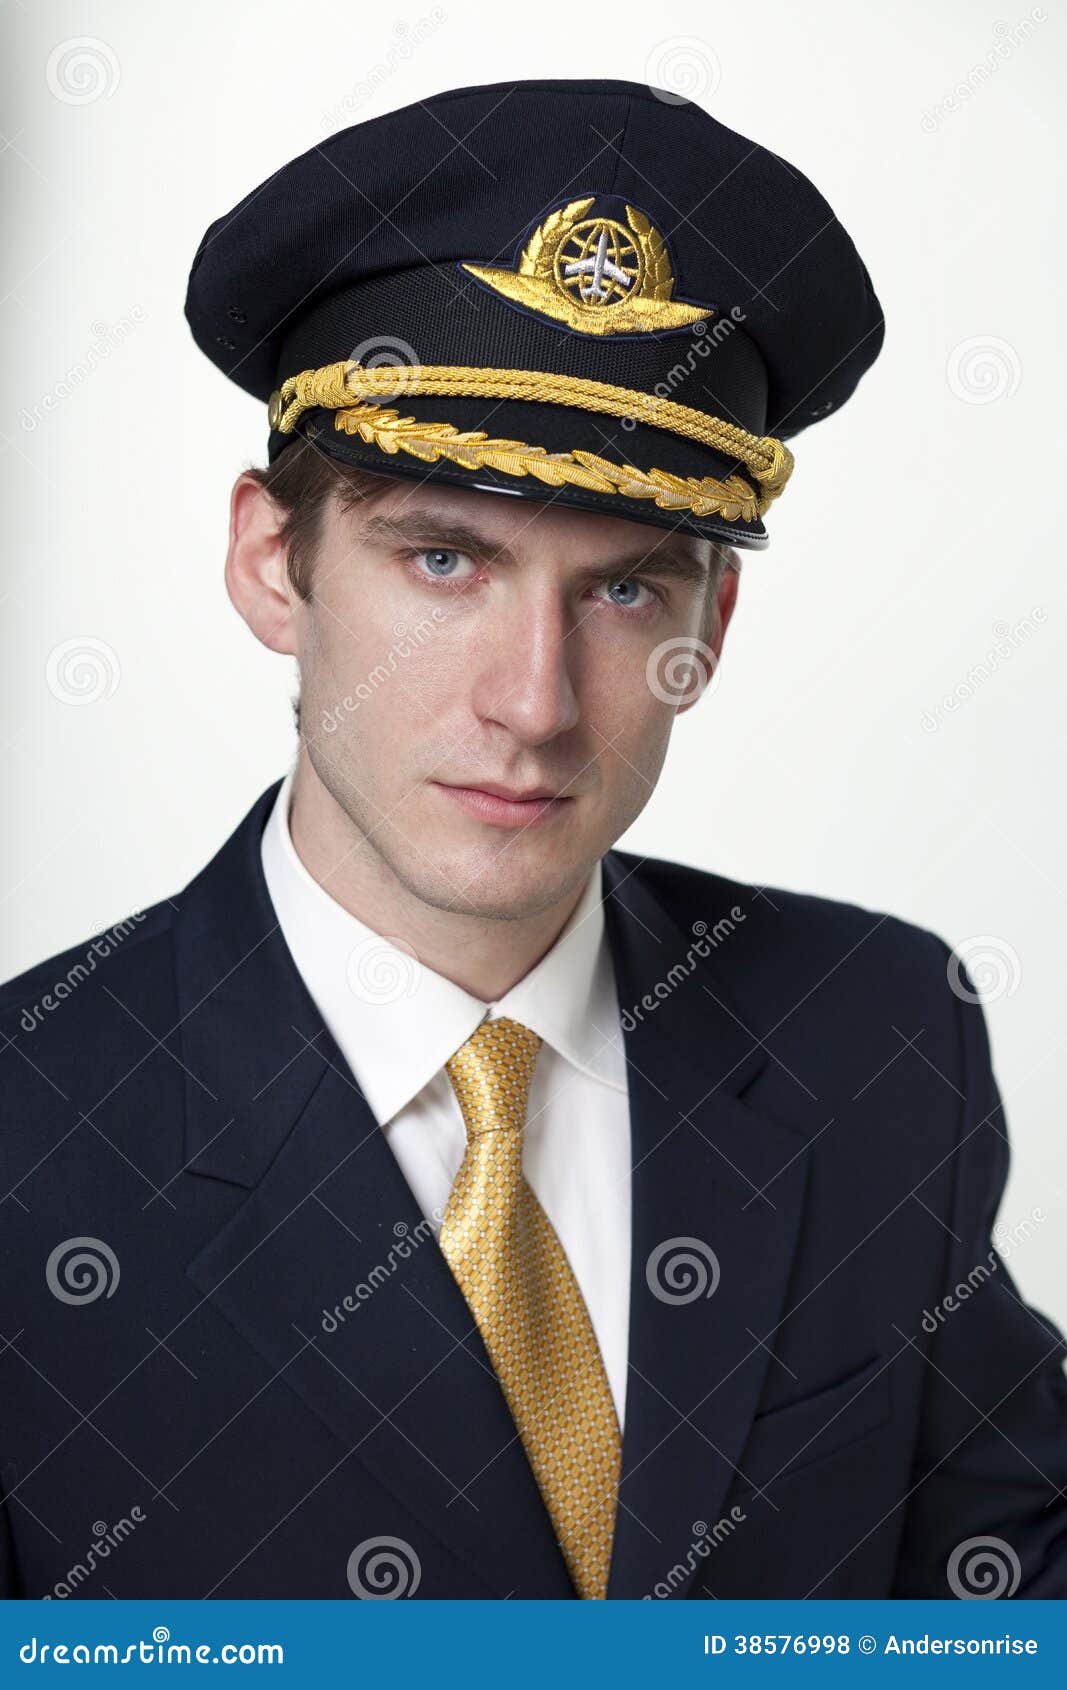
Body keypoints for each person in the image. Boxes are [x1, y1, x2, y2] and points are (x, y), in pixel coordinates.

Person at [2, 77, 1065, 1603]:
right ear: (269, 564)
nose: (536, 701)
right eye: (445, 557)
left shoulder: (878, 1037)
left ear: (717, 618)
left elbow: (1011, 1590)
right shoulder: (30, 1139)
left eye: (627, 588)